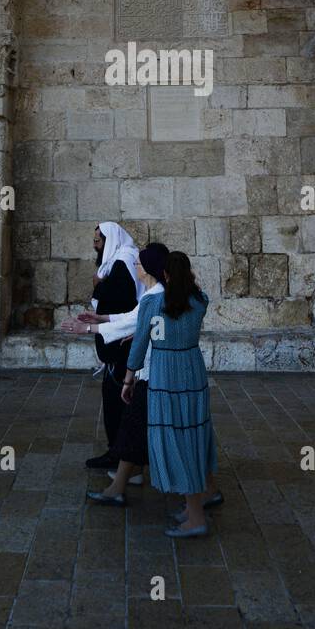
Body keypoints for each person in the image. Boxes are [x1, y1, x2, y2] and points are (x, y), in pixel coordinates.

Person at [125, 251, 221, 538]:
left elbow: (140, 344)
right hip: (192, 371)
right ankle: (196, 507)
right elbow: (194, 295)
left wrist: (129, 378)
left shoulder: (152, 303)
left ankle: (196, 518)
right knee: (193, 435)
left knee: (178, 442)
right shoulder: (199, 302)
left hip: (166, 375)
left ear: (164, 275)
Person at [85, 243, 169, 506]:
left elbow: (137, 328)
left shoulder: (154, 297)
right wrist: (99, 319)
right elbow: (132, 318)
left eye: (140, 264)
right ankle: (126, 479)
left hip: (152, 375)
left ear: (149, 269)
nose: (136, 267)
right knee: (140, 429)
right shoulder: (157, 294)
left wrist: (89, 329)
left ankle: (201, 495)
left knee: (139, 428)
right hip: (156, 373)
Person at [81, 222, 141, 471]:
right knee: (114, 399)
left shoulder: (122, 262)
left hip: (121, 344)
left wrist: (98, 284)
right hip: (117, 341)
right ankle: (120, 455)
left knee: (118, 401)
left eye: (98, 240)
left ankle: (121, 458)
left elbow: (119, 300)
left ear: (111, 239)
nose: (95, 245)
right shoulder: (119, 260)